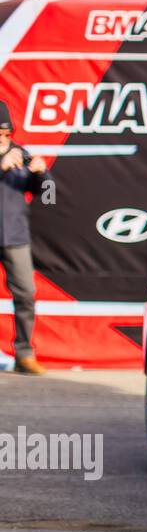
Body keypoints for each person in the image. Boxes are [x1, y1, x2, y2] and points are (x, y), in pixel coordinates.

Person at [0, 101, 50, 375]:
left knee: (26, 294)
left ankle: (24, 353)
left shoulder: (21, 152)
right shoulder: (7, 157)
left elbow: (44, 190)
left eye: (7, 133)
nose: (4, 139)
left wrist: (41, 173)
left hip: (15, 235)